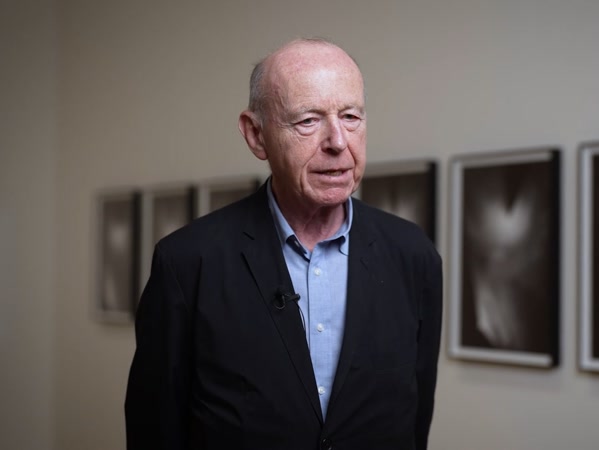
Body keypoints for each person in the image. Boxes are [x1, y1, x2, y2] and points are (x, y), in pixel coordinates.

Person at [124, 38, 443, 450]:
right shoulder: (187, 262)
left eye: (351, 116)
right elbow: (155, 431)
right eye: (308, 120)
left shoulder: (413, 254)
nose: (338, 142)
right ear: (256, 135)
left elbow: (415, 424)